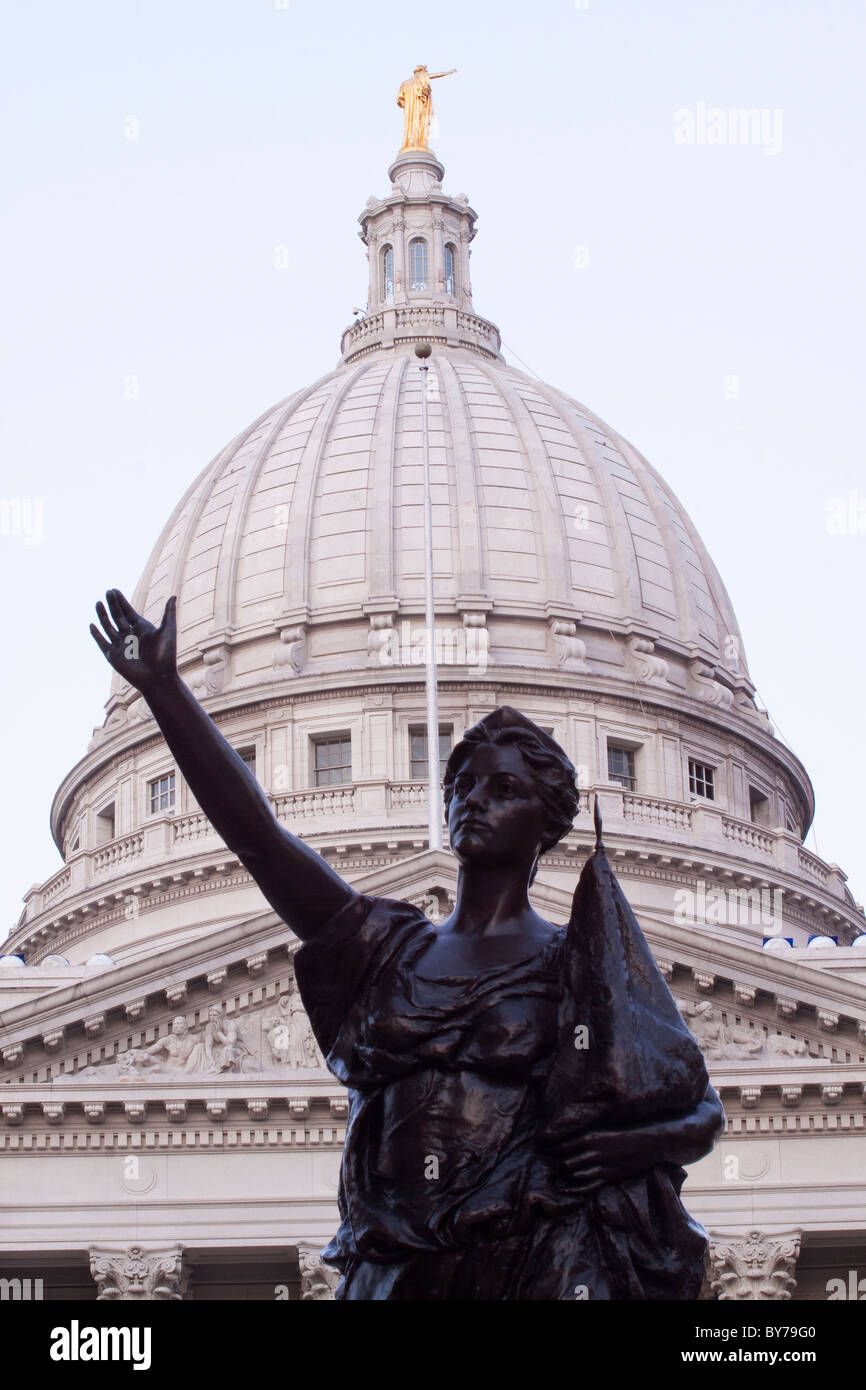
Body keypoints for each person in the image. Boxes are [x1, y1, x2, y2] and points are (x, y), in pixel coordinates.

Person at [90, 589, 724, 1300]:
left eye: (503, 788)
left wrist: (632, 1147)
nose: (472, 800)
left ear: (546, 821)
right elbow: (262, 842)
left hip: (538, 1256)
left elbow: (698, 1108)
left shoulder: (582, 965)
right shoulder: (385, 950)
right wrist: (168, 692)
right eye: (462, 785)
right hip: (397, 1261)